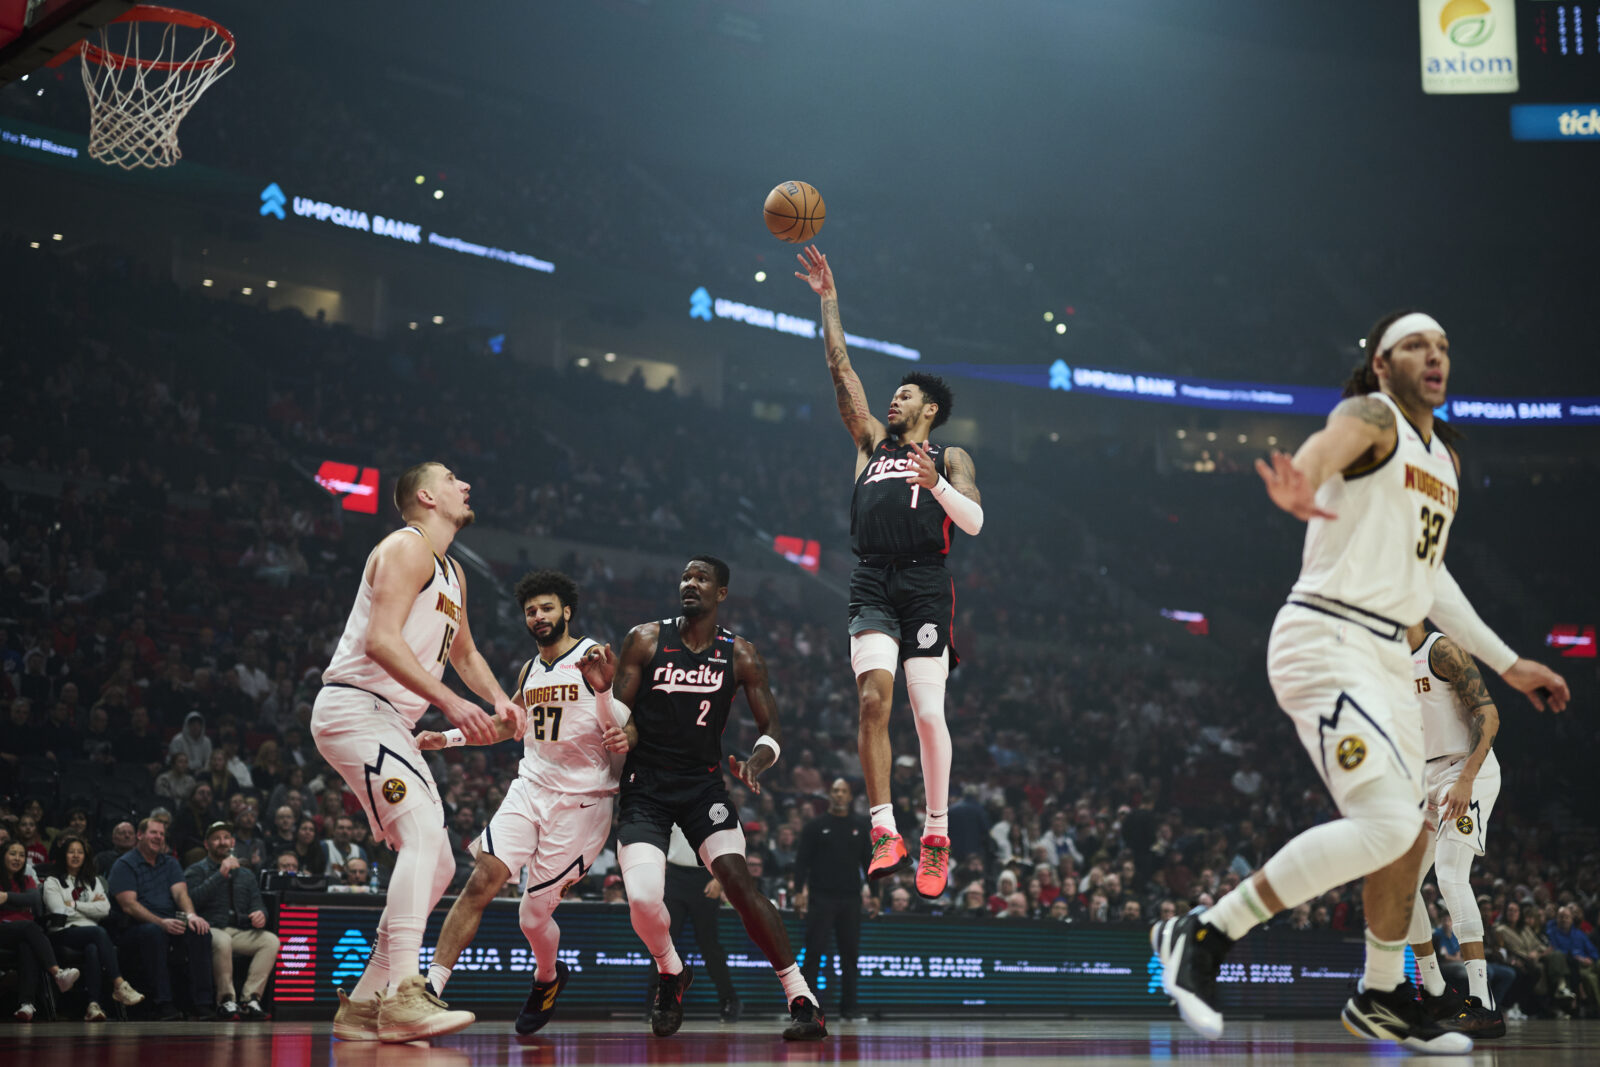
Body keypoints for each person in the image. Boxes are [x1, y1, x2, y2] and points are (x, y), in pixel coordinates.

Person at [1150, 310, 1570, 1053]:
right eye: (1416, 345)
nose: (1434, 356)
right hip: (1327, 635)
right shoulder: (1373, 416)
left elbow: (1432, 578)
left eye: (1443, 346)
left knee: (1406, 837)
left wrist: (1509, 663)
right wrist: (1303, 480)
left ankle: (1381, 993)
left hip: (1387, 656)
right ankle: (1206, 932)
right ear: (1382, 363)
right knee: (1387, 824)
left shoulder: (1444, 462)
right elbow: (1323, 449)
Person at [794, 246, 984, 901]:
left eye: (904, 395)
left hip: (926, 582)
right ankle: (884, 829)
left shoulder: (950, 456)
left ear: (929, 409)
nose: (892, 400)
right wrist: (829, 299)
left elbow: (975, 523)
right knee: (873, 701)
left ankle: (937, 834)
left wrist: (937, 486)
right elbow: (840, 368)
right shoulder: (871, 444)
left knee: (927, 713)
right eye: (893, 395)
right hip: (872, 579)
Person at [313, 462, 517, 1043]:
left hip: (388, 720)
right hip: (357, 706)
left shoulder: (453, 570)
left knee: (441, 863)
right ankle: (406, 992)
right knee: (423, 835)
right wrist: (452, 704)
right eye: (452, 479)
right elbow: (380, 640)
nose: (466, 485)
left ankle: (362, 1004)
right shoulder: (406, 546)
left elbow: (465, 654)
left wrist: (501, 701)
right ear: (426, 496)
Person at [605, 555, 826, 1040]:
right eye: (685, 576)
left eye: (702, 578)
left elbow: (772, 729)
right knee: (642, 898)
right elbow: (620, 714)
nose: (690, 583)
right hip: (646, 786)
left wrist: (756, 761)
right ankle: (671, 971)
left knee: (739, 884)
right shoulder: (645, 639)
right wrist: (622, 727)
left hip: (703, 787)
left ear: (721, 593)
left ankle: (802, 998)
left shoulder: (741, 654)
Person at [417, 569, 626, 1036]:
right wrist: (447, 738)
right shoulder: (529, 671)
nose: (538, 616)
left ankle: (547, 977)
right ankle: (430, 989)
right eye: (531, 611)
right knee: (481, 880)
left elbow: (625, 729)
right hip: (530, 788)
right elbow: (506, 724)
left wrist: (607, 692)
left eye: (547, 608)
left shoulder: (594, 656)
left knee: (532, 917)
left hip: (582, 803)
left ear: (566, 611)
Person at [1404, 622, 1506, 1036]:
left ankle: (1484, 1004)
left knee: (1449, 875)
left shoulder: (1440, 650)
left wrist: (1465, 779)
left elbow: (1488, 714)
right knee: (1401, 885)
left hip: (1466, 768)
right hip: (1423, 776)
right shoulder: (1388, 661)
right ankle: (1436, 993)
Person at [108, 818, 213, 1020]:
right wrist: (161, 922)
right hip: (135, 927)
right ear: (140, 835)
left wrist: (191, 916)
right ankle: (163, 1003)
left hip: (169, 922)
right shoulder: (124, 864)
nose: (158, 837)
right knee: (153, 932)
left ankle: (202, 1003)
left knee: (200, 931)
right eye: (153, 833)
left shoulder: (170, 863)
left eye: (162, 834)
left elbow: (181, 894)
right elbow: (129, 905)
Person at [184, 821, 279, 1021]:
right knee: (223, 941)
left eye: (226, 838)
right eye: (216, 838)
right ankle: (226, 1000)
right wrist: (220, 875)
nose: (222, 842)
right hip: (209, 928)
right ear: (207, 844)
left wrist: (260, 914)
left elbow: (258, 904)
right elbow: (191, 900)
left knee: (270, 941)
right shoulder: (196, 870)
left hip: (239, 931)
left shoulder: (246, 874)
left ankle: (250, 999)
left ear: (233, 842)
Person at [43, 834, 145, 1020]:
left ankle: (93, 1005)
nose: (76, 856)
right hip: (62, 932)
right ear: (63, 855)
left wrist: (74, 905)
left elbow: (104, 909)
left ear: (85, 856)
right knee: (98, 933)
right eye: (71, 852)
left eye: (80, 852)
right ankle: (119, 984)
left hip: (90, 934)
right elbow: (58, 911)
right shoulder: (53, 881)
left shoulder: (93, 881)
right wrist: (91, 907)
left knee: (93, 948)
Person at [795, 777, 872, 1021]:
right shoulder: (815, 826)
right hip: (821, 897)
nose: (839, 795)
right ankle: (805, 1008)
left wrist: (876, 894)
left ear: (849, 796)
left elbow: (869, 863)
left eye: (843, 791)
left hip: (851, 898)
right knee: (813, 953)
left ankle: (849, 1008)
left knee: (850, 956)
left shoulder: (860, 826)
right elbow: (802, 862)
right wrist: (798, 892)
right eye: (835, 790)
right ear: (830, 794)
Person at [647, 824, 741, 1023]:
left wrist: (720, 877)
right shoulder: (668, 807)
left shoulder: (715, 808)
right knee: (664, 943)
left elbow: (730, 842)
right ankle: (659, 1002)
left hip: (706, 875)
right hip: (674, 875)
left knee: (709, 945)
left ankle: (729, 1000)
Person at [1, 840, 81, 1021]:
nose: (17, 858)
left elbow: (33, 899)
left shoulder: (27, 880)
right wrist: (18, 900)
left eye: (22, 855)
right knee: (30, 927)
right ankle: (57, 973)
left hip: (25, 933)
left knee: (27, 945)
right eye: (12, 854)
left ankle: (26, 1004)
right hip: (3, 929)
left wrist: (6, 897)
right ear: (2, 856)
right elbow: (24, 900)